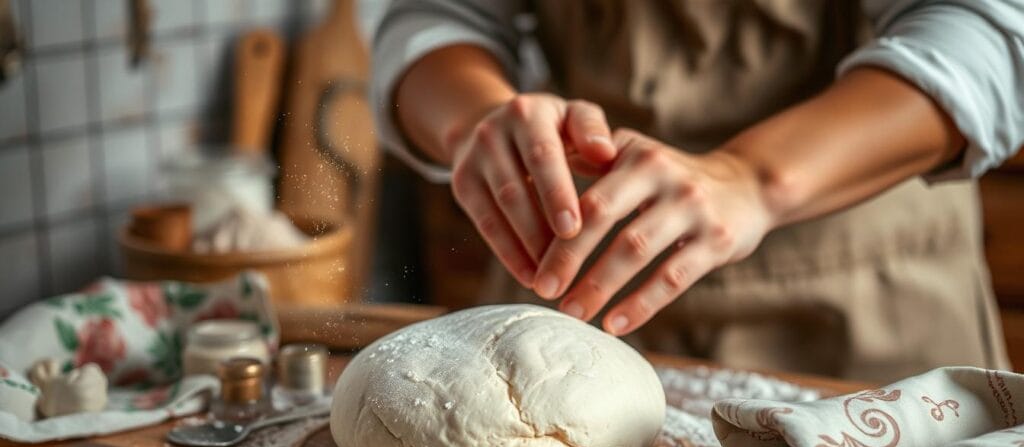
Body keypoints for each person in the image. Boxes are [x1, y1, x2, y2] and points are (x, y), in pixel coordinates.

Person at [370, 0, 1024, 382]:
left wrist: (754, 178)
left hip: (868, 310)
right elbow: (431, 13)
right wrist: (476, 120)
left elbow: (989, 31)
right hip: (570, 287)